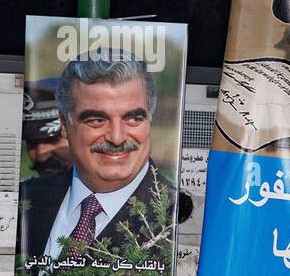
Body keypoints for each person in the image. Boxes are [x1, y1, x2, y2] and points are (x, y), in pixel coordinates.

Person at [19, 51, 178, 263]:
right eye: (97, 120)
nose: (117, 137)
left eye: (133, 119)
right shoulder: (25, 200)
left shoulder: (178, 214)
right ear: (65, 125)